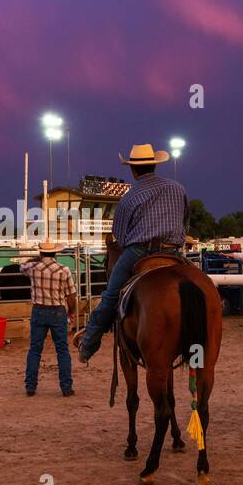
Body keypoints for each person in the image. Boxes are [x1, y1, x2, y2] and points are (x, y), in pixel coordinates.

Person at [73, 143, 188, 363]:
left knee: (110, 295)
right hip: (172, 251)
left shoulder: (129, 197)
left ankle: (88, 344)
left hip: (140, 251)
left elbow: (121, 237)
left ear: (133, 170)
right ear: (154, 165)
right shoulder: (178, 188)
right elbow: (185, 222)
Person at [21, 241, 77, 396]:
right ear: (55, 253)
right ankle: (66, 387)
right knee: (62, 350)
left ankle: (30, 386)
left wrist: (36, 259)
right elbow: (71, 296)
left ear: (41, 254)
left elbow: (22, 266)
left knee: (35, 350)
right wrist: (71, 312)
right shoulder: (64, 270)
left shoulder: (33, 268)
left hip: (38, 310)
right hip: (58, 311)